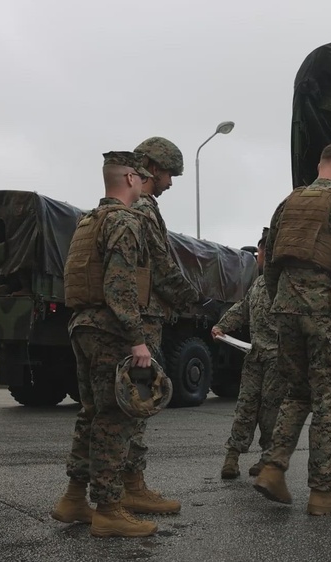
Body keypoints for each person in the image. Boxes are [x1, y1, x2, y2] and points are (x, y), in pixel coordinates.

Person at [254, 142, 331, 516]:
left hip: (286, 310)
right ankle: (323, 491)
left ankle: (273, 468)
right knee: (327, 399)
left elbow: (270, 265)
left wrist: (281, 303)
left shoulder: (287, 204)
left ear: (320, 165)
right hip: (325, 316)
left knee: (297, 394)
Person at [51, 151, 160, 538]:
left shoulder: (88, 221)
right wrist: (137, 338)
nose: (144, 184)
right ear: (130, 179)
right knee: (115, 419)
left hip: (83, 325)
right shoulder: (124, 221)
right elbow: (119, 285)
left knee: (91, 413)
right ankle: (109, 509)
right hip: (111, 330)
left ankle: (73, 498)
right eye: (141, 178)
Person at [122, 137, 199, 515]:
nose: (170, 183)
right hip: (143, 319)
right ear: (153, 168)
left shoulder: (124, 205)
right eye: (169, 175)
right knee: (139, 403)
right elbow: (162, 265)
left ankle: (94, 489)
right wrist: (192, 300)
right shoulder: (143, 208)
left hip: (130, 316)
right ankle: (131, 486)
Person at [212, 227, 284, 479]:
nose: (257, 257)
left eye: (260, 251)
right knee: (245, 407)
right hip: (255, 358)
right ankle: (232, 457)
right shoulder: (259, 284)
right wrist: (222, 326)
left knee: (271, 411)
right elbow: (243, 309)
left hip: (277, 361)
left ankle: (268, 459)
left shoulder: (285, 285)